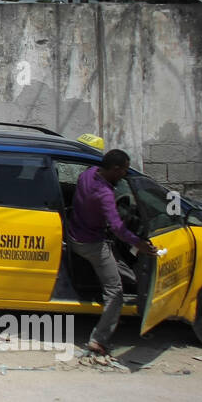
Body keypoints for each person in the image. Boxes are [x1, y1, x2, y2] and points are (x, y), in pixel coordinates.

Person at [67, 149, 158, 356]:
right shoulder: (105, 194)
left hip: (75, 233)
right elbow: (117, 227)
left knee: (124, 272)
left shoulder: (88, 173)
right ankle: (98, 339)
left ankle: (118, 313)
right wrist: (140, 244)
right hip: (91, 244)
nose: (125, 174)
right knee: (115, 291)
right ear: (115, 169)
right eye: (124, 170)